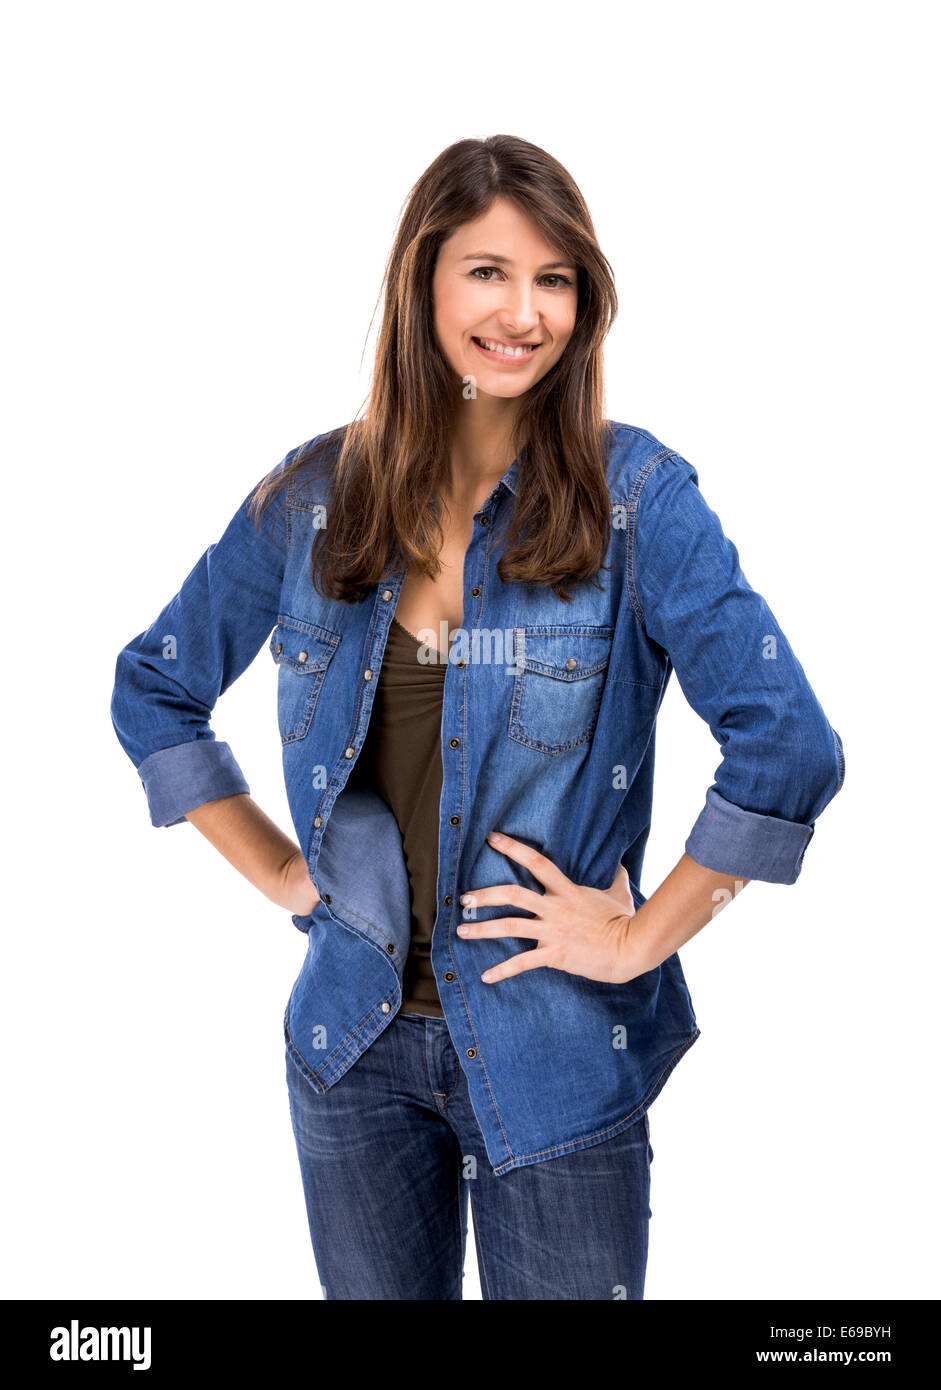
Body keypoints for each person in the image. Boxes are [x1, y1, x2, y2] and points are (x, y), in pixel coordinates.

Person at [111, 134, 845, 1301]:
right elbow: (152, 684)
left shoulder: (637, 499)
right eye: (488, 271)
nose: (523, 311)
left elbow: (787, 743)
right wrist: (289, 879)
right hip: (348, 1052)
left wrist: (637, 937)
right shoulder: (311, 498)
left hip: (554, 1055)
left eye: (554, 279)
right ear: (424, 282)